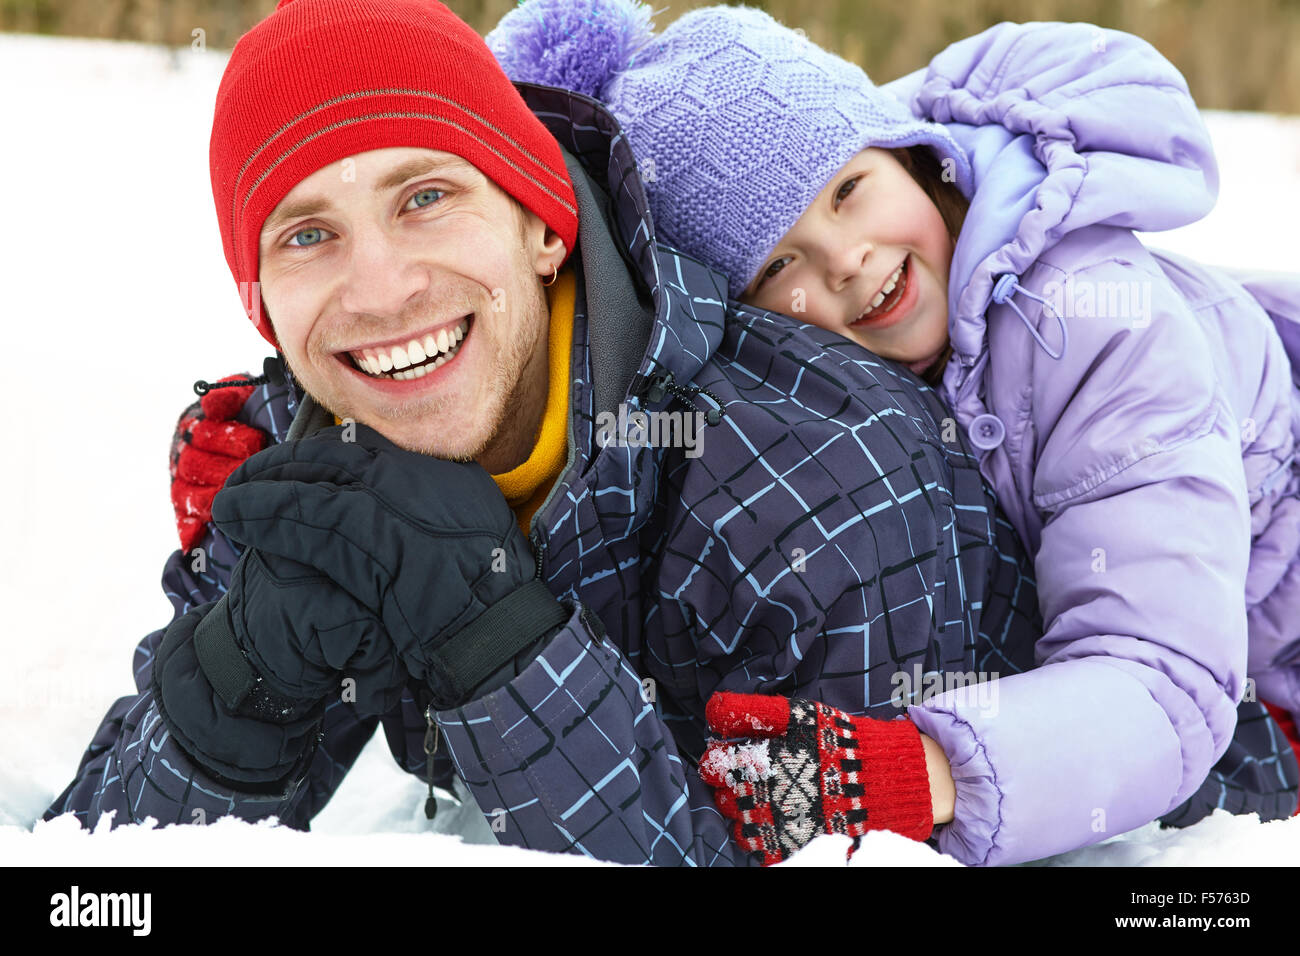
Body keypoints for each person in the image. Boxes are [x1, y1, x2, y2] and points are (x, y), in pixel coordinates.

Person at [41, 0, 1043, 866]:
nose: (383, 289)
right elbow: (87, 876)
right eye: (308, 233)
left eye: (425, 196)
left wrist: (499, 644)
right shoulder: (312, 454)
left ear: (543, 222)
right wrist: (246, 676)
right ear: (265, 307)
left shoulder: (819, 481)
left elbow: (836, 854)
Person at [489, 0, 1300, 858]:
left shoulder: (1094, 326)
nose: (844, 259)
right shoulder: (846, 378)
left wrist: (924, 772)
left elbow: (1161, 673)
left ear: (913, 155)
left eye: (847, 191)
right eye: (778, 263)